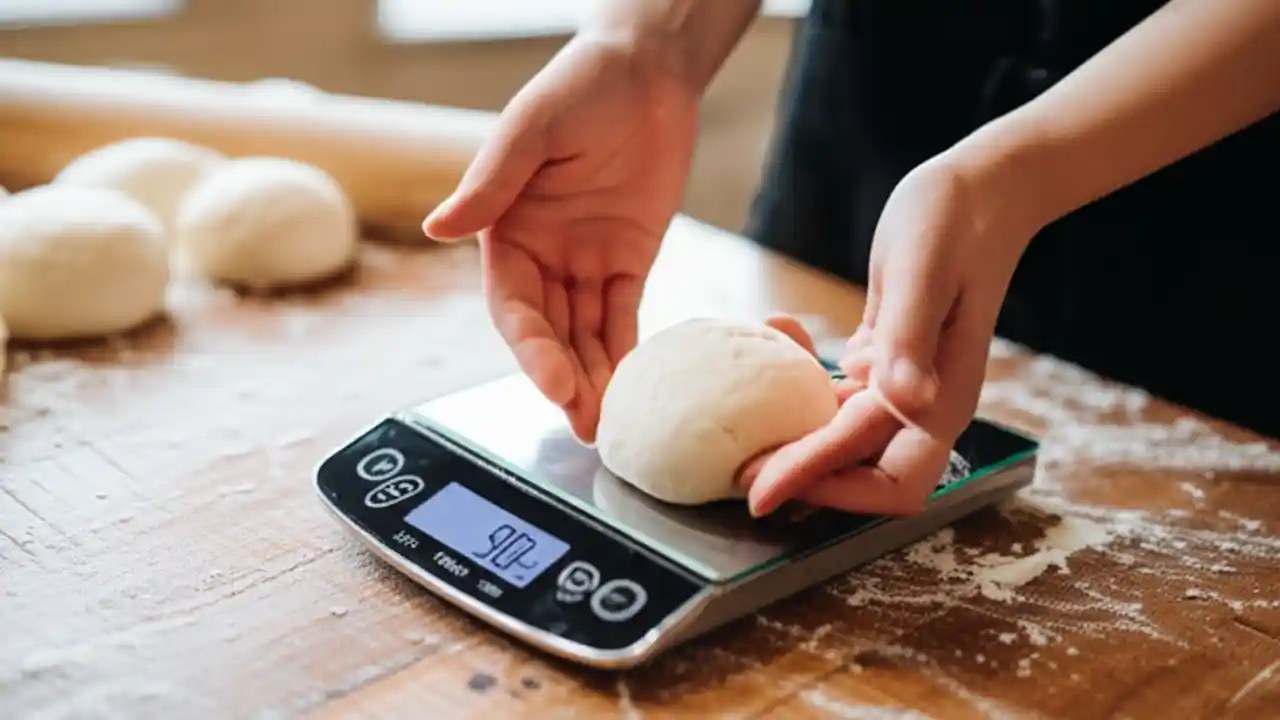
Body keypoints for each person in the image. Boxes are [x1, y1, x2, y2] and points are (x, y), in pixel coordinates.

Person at [422, 0, 1280, 518]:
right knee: (851, 381)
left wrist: (1018, 175)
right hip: (886, 78)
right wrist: (652, 43)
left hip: (1203, 173)